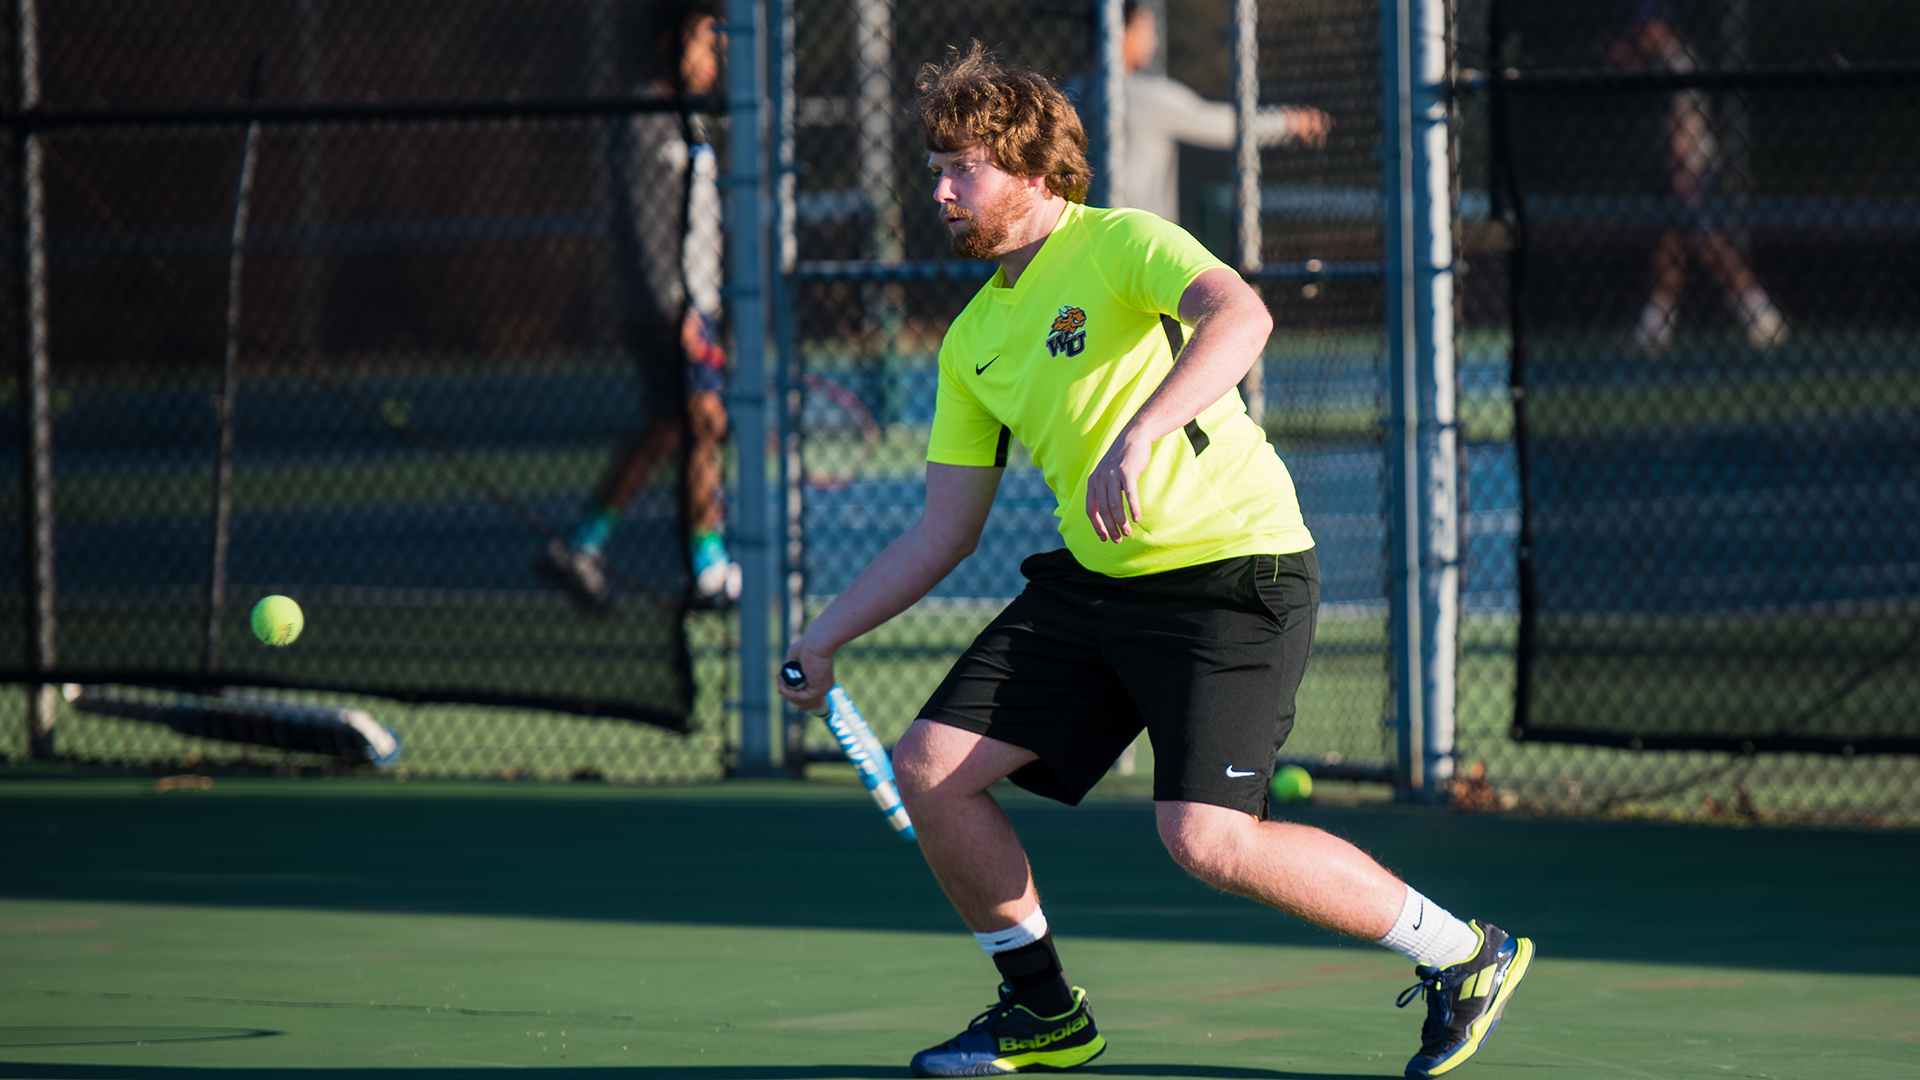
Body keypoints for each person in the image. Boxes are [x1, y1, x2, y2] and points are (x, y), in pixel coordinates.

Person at [777, 43, 1532, 1080]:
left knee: (1208, 840)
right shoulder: (970, 342)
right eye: (937, 169)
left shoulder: (1123, 242)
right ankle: (1043, 1014)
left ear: (1035, 172)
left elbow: (1243, 314)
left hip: (1235, 573)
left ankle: (1465, 953)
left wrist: (1142, 432)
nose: (943, 190)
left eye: (966, 168)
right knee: (932, 771)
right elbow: (942, 530)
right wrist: (825, 636)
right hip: (1098, 585)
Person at [538, 0, 740, 612]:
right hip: (666, 310)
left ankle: (581, 545)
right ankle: (707, 568)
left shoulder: (687, 120)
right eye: (706, 43)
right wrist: (676, 310)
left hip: (693, 307)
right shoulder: (646, 119)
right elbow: (648, 226)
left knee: (672, 427)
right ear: (669, 44)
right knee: (703, 421)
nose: (716, 57)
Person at [1609, 0, 1787, 352]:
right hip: (1686, 166)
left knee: (1708, 244)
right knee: (1671, 244)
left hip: (1691, 166)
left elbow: (1684, 119)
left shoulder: (1676, 63)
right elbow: (1634, 69)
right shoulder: (1666, 61)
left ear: (1660, 26)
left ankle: (1761, 314)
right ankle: (1657, 324)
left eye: (1644, 30)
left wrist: (1683, 170)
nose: (1640, 37)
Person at [1111, 0, 1331, 223]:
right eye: (1146, 30)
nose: (1154, 41)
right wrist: (1289, 122)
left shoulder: (1077, 91)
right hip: (1137, 244)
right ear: (1120, 33)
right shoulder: (1144, 97)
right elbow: (1227, 127)